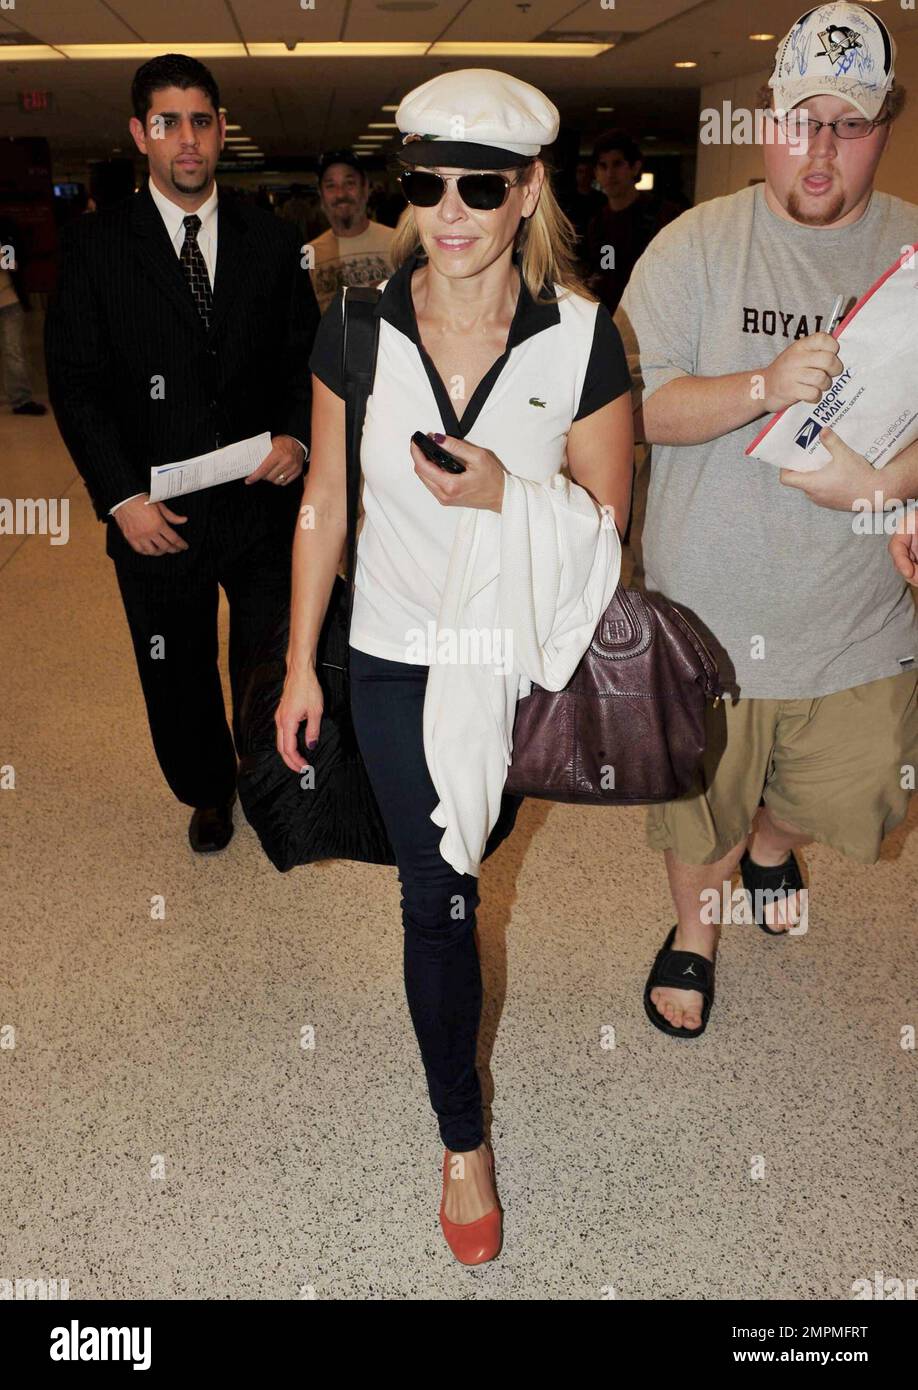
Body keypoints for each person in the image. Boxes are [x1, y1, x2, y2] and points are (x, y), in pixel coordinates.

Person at [276, 68, 633, 1265]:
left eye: (482, 184)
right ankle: (463, 1139)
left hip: (510, 663)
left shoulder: (584, 338)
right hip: (389, 652)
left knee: (471, 854)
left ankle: (458, 1067)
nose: (452, 210)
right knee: (438, 893)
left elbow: (603, 529)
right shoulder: (351, 322)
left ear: (529, 190)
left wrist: (505, 496)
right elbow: (324, 501)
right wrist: (298, 666)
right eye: (426, 184)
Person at [613, 2, 918, 1037]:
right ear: (766, 120)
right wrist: (762, 382)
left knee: (858, 795)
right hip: (711, 613)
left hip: (858, 617)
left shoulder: (914, 250)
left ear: (886, 124)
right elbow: (634, 409)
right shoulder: (695, 247)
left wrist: (881, 486)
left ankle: (776, 842)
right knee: (703, 807)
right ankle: (696, 934)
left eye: (852, 122)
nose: (822, 149)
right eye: (803, 120)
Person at [45, 53, 319, 853]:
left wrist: (297, 436)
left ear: (222, 129)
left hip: (264, 499)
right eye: (168, 123)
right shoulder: (97, 247)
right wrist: (121, 499)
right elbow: (77, 381)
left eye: (202, 121)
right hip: (156, 511)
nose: (187, 140)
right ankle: (208, 787)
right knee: (177, 667)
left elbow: (308, 357)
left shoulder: (272, 240)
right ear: (141, 134)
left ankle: (275, 781)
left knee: (270, 653)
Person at [585, 128, 681, 313]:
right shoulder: (599, 223)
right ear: (596, 172)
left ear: (634, 167)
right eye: (603, 166)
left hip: (656, 311)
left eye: (617, 164)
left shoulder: (663, 215)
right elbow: (606, 269)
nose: (610, 174)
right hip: (614, 315)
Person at [306, 151, 396, 314]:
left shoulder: (397, 242)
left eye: (349, 183)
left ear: (366, 188)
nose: (340, 194)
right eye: (330, 186)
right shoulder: (309, 254)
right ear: (321, 195)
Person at [0, 216, 46, 417]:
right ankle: (20, 398)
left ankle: (21, 399)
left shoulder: (5, 230)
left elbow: (11, 263)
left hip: (9, 299)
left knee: (13, 350)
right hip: (9, 299)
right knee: (13, 351)